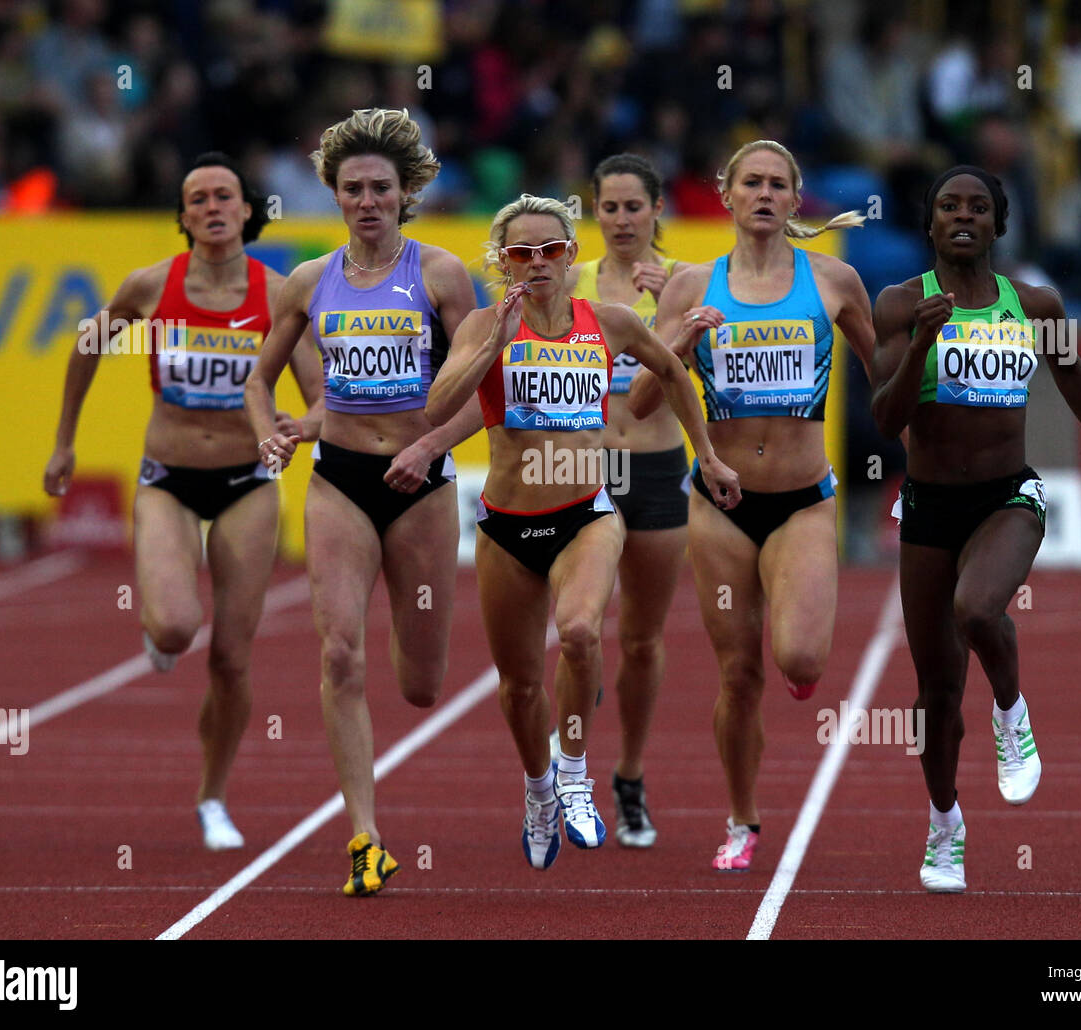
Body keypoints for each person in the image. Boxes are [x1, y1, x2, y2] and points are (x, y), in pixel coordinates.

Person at [424, 194, 739, 871]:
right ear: (502, 261)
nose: (536, 263)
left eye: (550, 250)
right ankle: (539, 791)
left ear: (571, 255)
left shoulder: (613, 322)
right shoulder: (486, 322)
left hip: (587, 511)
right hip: (507, 524)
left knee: (578, 632)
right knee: (516, 686)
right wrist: (489, 348)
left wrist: (706, 453)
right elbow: (437, 406)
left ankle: (573, 771)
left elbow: (673, 372)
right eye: (520, 253)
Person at [43, 152, 324, 851]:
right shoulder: (150, 286)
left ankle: (213, 796)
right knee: (173, 629)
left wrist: (304, 426)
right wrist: (64, 442)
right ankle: (158, 630)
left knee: (230, 658)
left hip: (245, 485)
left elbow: (320, 391)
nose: (210, 207)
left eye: (223, 195)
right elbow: (88, 345)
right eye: (196, 199)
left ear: (247, 208)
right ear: (184, 216)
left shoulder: (280, 291)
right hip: (167, 476)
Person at [869, 165, 1081, 892]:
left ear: (998, 224)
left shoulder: (1035, 303)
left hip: (1006, 497)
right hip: (927, 505)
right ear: (929, 224)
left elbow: (1072, 369)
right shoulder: (900, 304)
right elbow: (887, 420)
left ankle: (1012, 714)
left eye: (978, 207)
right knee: (935, 699)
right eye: (949, 205)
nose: (963, 215)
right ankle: (944, 824)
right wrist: (921, 344)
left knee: (977, 608)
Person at [243, 108, 479, 897]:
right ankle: (364, 836)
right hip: (340, 481)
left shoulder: (442, 274)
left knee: (420, 683)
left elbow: (490, 385)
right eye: (353, 189)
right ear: (334, 196)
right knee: (339, 653)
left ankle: (410, 663)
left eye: (382, 187)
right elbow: (256, 377)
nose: (368, 200)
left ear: (406, 193)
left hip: (420, 488)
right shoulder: (310, 283)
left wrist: (430, 446)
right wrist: (270, 433)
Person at [629, 140, 876, 872]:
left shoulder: (833, 281)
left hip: (802, 501)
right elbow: (643, 404)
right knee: (739, 674)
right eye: (751, 184)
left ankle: (800, 668)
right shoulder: (689, 287)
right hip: (719, 503)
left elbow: (882, 372)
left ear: (796, 200)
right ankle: (742, 818)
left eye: (778, 184)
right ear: (727, 196)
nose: (764, 195)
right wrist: (676, 338)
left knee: (798, 656)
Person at [563, 154, 690, 848]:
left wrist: (673, 311)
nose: (620, 220)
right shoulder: (572, 283)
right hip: (582, 472)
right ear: (593, 210)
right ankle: (568, 766)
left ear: (655, 210)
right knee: (577, 629)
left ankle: (630, 778)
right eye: (608, 207)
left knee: (640, 641)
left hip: (656, 471)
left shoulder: (679, 285)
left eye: (632, 207)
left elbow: (695, 374)